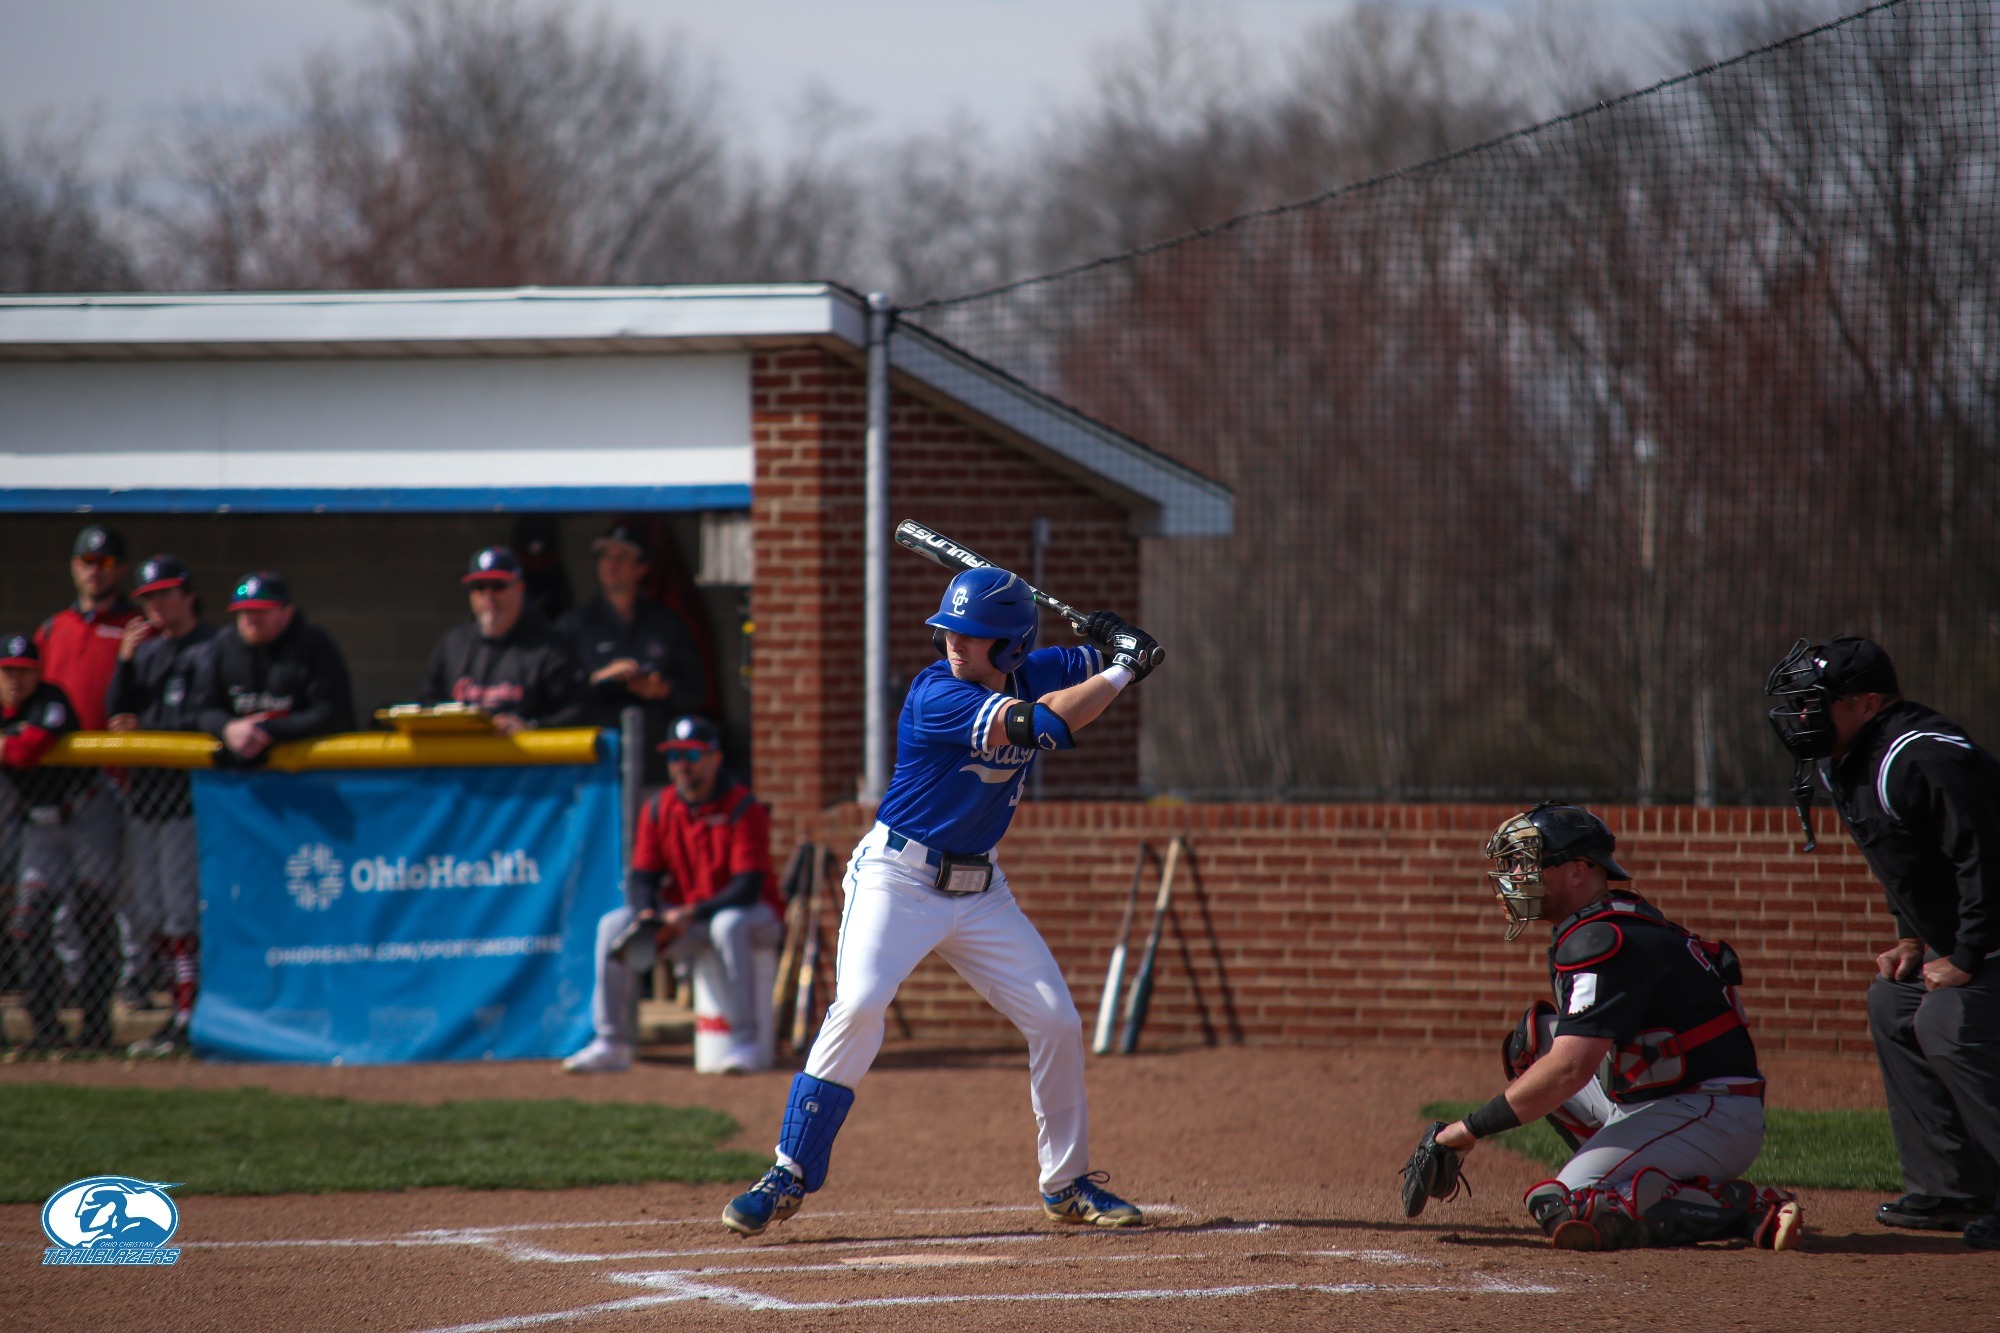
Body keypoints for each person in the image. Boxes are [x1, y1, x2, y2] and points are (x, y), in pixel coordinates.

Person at [721, 567, 1163, 1237]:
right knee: (862, 1003)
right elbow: (1047, 725)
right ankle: (788, 1171)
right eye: (951, 630)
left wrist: (1117, 641)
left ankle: (1066, 1183)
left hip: (982, 890)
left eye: (974, 635)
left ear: (1011, 647)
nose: (956, 643)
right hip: (897, 879)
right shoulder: (937, 695)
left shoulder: (1035, 666)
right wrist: (1125, 670)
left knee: (1057, 1021)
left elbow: (1092, 661)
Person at [1406, 801, 1801, 1251]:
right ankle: (1625, 1172)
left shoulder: (1604, 936)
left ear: (1578, 871)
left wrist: (1467, 1130)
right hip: (1661, 1099)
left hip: (1707, 1111)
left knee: (1569, 1203)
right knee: (1534, 1041)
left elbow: (1571, 1070)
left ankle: (1747, 1209)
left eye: (1528, 862)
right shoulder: (1603, 921)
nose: (1515, 875)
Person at [1765, 635, 2000, 1248]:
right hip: (1978, 935)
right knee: (1893, 1003)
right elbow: (1909, 861)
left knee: (1949, 1018)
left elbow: (1986, 858)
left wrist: (1969, 956)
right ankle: (1955, 1187)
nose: (1802, 716)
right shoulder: (1853, 757)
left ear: (1868, 703)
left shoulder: (1919, 754)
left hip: (1992, 936)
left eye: (1819, 703)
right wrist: (1914, 940)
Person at [562, 715, 783, 1075]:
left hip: (754, 915)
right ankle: (611, 1042)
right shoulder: (659, 806)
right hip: (685, 919)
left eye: (692, 757)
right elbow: (642, 877)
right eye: (675, 757)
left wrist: (689, 913)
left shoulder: (742, 806)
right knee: (613, 924)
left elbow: (747, 888)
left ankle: (745, 1042)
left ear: (715, 759)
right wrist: (649, 913)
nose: (682, 766)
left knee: (728, 925)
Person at [105, 555, 217, 1056]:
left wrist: (146, 732)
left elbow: (205, 719)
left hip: (185, 798)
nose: (155, 605)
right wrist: (125, 661)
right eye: (148, 597)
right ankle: (178, 1007)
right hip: (144, 797)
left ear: (188, 594)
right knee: (149, 911)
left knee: (179, 913)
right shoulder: (146, 654)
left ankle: (190, 1013)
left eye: (164, 594)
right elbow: (115, 711)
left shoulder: (209, 648)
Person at [2, 634, 121, 1052]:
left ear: (38, 672)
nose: (16, 680)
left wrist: (7, 743)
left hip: (86, 813)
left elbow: (26, 751)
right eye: (8, 672)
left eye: (24, 671)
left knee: (92, 912)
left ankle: (96, 1024)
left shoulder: (51, 699)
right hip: (38, 825)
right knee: (28, 923)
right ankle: (45, 1024)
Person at [557, 524, 706, 779]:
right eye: (606, 556)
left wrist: (661, 689)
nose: (612, 564)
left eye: (622, 557)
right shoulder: (575, 624)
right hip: (597, 765)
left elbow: (697, 691)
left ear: (641, 568)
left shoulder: (666, 623)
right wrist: (599, 678)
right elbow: (556, 694)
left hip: (654, 764)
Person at [422, 547, 588, 735]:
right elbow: (428, 706)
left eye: (498, 586)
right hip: (463, 759)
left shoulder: (551, 647)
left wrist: (532, 727)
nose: (488, 596)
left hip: (526, 761)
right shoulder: (452, 645)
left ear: (519, 589)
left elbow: (580, 712)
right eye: (480, 587)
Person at [194, 571, 355, 762]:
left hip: (308, 772)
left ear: (287, 612)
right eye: (245, 611)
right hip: (238, 777)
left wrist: (267, 729)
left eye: (261, 610)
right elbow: (202, 708)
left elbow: (332, 715)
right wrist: (227, 728)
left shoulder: (313, 644)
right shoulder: (223, 645)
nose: (251, 618)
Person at [35, 524, 142, 733]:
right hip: (60, 757)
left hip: (117, 755)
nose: (95, 570)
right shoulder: (53, 628)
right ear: (74, 566)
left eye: (106, 562)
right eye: (87, 561)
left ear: (122, 568)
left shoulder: (138, 626)